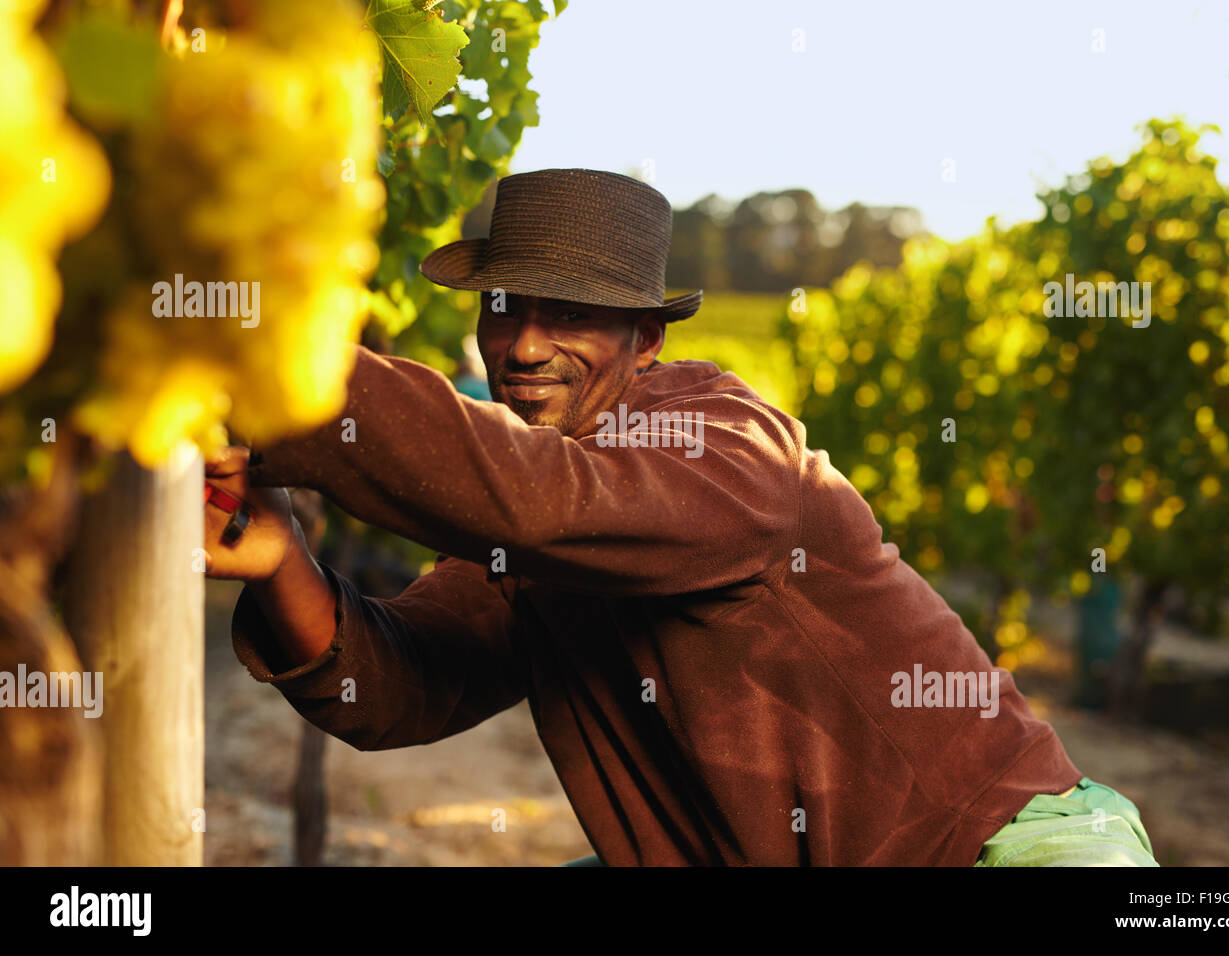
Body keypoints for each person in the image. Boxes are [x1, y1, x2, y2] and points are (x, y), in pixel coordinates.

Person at [205, 168, 1157, 866]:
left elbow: (539, 501)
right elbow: (401, 684)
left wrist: (274, 371)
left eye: (568, 312)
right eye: (504, 310)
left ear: (646, 339)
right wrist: (281, 559)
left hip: (1008, 848)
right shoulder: (542, 528)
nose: (524, 346)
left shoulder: (729, 449)